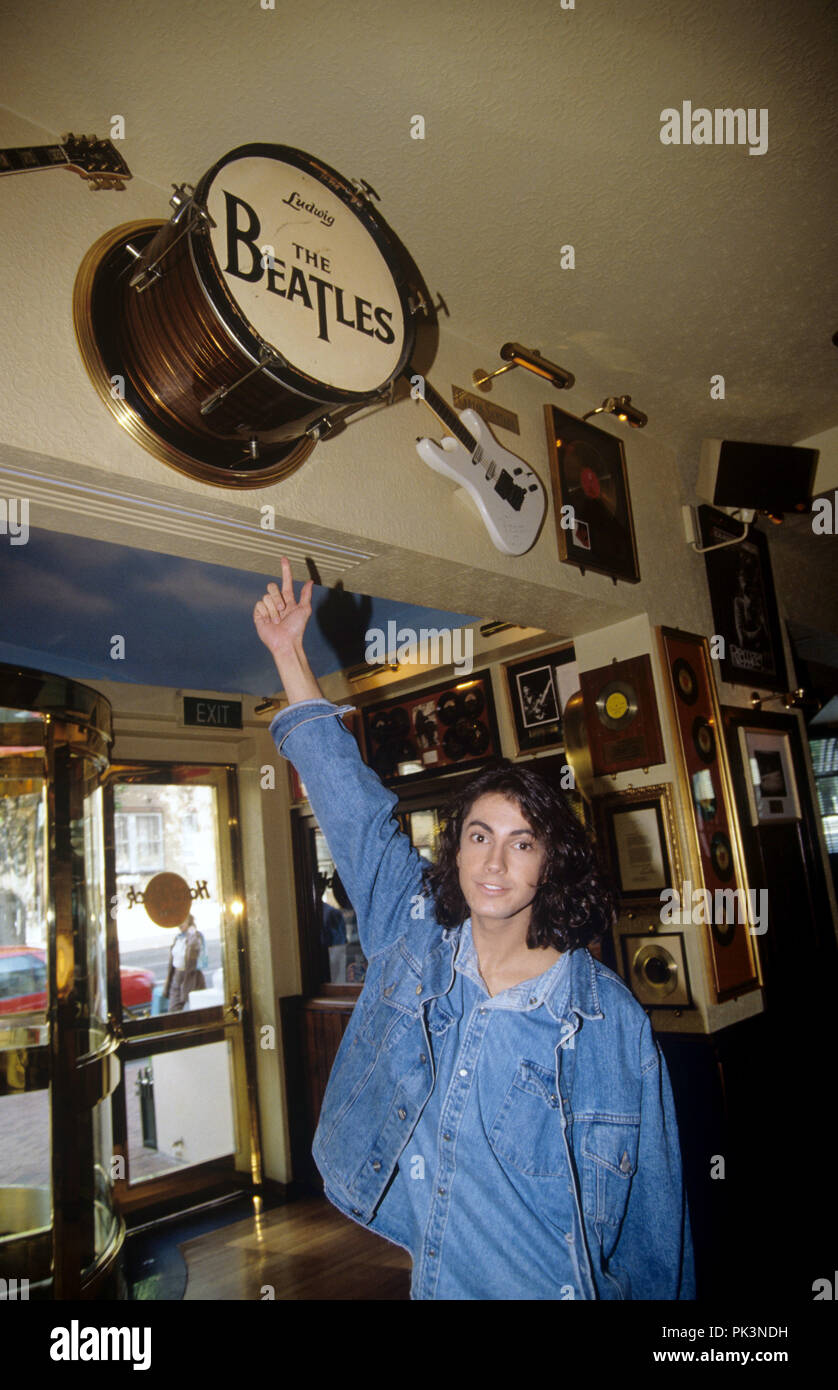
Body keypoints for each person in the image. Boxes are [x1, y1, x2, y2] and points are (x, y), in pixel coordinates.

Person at [254, 558, 695, 1301]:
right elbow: (355, 813)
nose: (495, 861)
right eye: (479, 836)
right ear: (454, 850)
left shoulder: (604, 1020)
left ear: (551, 863)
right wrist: (291, 658)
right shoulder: (415, 940)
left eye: (522, 842)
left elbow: (658, 1223)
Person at [161, 913, 206, 1013]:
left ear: (189, 922)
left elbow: (194, 948)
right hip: (177, 975)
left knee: (196, 1009)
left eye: (183, 921)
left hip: (191, 976)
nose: (179, 924)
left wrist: (192, 931)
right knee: (173, 1010)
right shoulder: (178, 938)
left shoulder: (195, 936)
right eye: (178, 922)